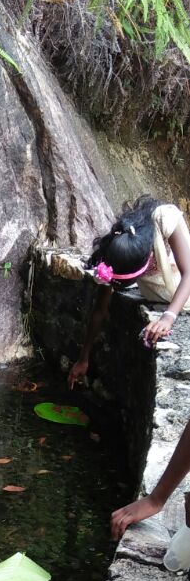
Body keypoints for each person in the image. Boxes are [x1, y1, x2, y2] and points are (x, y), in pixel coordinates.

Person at [66, 196, 190, 539]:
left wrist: (169, 316)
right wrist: (84, 357)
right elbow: (101, 310)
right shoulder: (117, 247)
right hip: (158, 296)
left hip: (179, 297)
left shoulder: (165, 219)